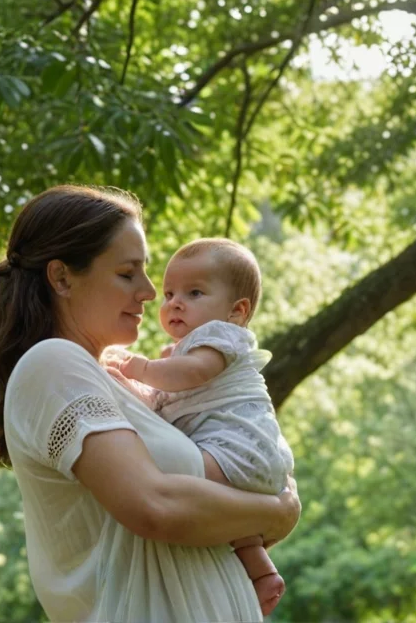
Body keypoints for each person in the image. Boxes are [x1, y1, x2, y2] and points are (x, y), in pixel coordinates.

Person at [0, 185, 301, 622]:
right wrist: (277, 512)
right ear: (62, 277)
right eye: (128, 274)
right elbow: (156, 506)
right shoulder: (53, 362)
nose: (149, 292)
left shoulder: (117, 385)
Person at [105, 238, 294, 617]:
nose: (174, 302)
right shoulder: (181, 352)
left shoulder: (220, 338)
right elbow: (163, 397)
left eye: (194, 293)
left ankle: (258, 562)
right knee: (227, 513)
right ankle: (261, 570)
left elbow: (191, 375)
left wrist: (136, 368)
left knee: (187, 488)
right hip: (240, 456)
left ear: (236, 311)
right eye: (170, 293)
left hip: (239, 448)